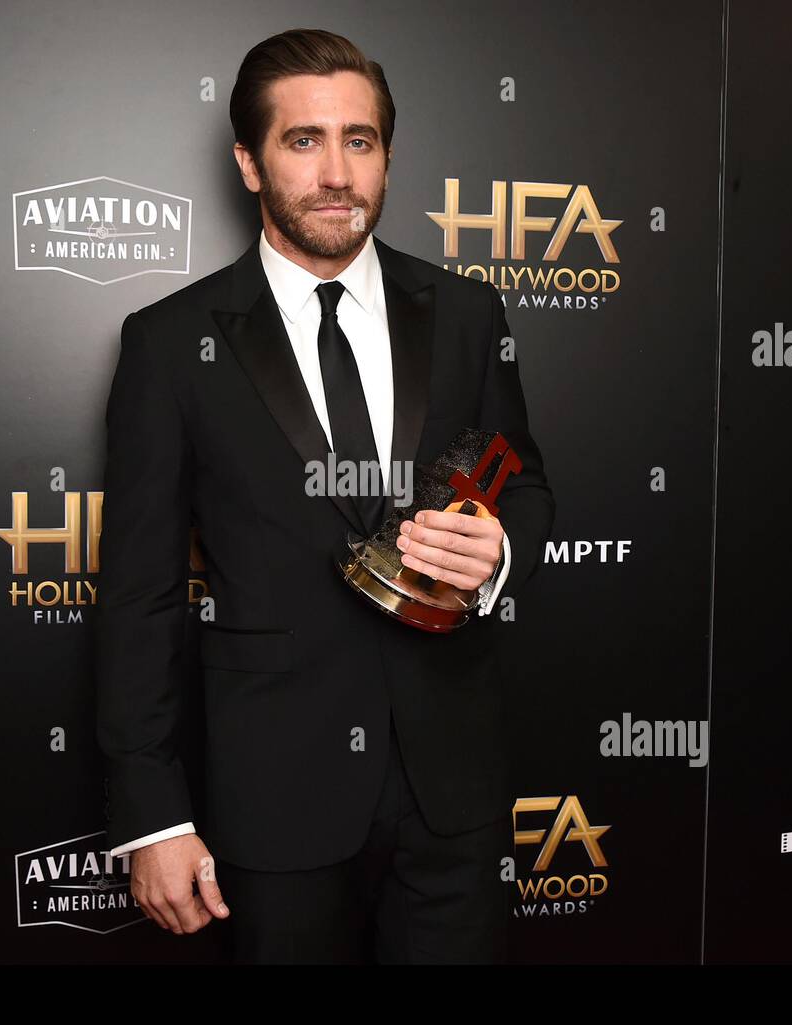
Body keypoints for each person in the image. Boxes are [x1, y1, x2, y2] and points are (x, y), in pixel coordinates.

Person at [95, 27, 555, 963]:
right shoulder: (170, 342)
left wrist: (498, 553)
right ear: (250, 164)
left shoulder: (467, 314)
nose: (338, 172)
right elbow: (138, 597)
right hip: (271, 797)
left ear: (388, 155)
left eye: (361, 140)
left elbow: (527, 485)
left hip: (452, 797)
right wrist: (152, 818)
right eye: (304, 141)